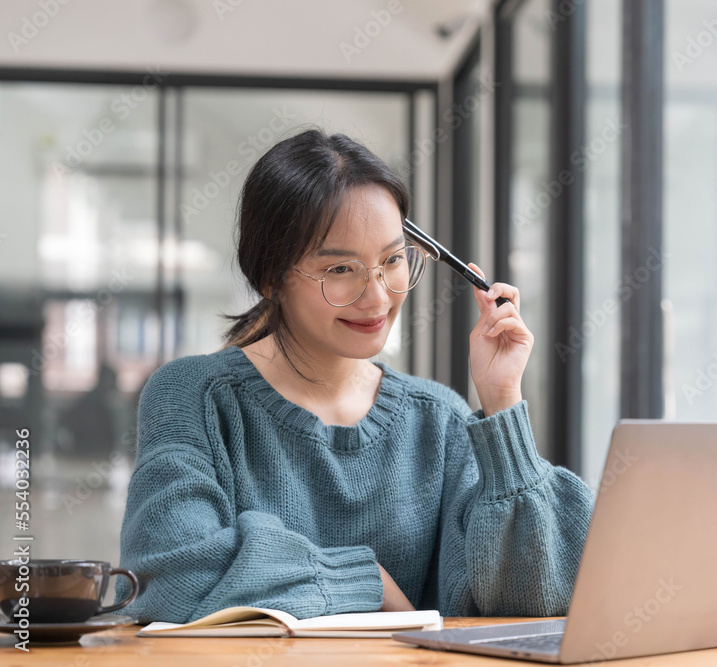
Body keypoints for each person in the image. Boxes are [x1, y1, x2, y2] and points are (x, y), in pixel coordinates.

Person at [115, 129, 594, 623]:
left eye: (391, 260)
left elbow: (540, 599)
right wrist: (368, 581)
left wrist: (501, 402)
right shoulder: (193, 397)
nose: (379, 297)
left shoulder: (439, 419)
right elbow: (171, 578)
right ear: (271, 277)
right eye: (341, 269)